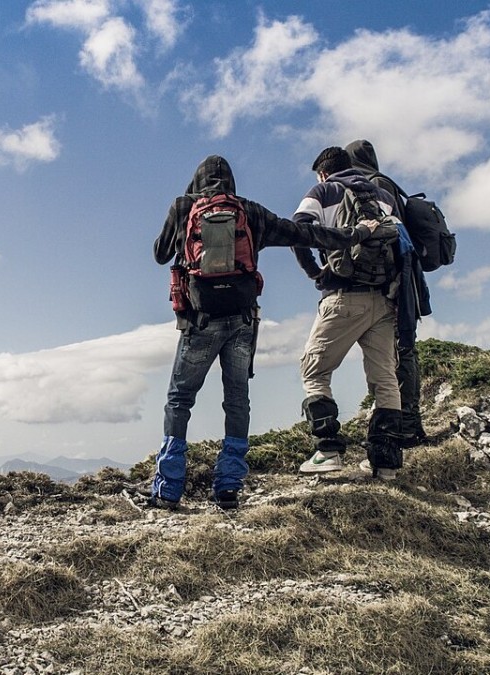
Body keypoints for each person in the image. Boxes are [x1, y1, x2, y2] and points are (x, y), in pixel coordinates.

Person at [150, 154, 379, 510]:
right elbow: (304, 233)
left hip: (200, 321)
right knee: (237, 400)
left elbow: (160, 254)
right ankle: (228, 488)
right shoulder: (249, 211)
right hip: (242, 321)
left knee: (180, 399)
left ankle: (168, 489)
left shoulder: (184, 207)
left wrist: (185, 219)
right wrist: (358, 234)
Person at [291, 146, 408, 479]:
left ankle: (328, 451)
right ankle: (385, 464)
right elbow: (402, 243)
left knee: (314, 370)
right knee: (385, 379)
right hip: (384, 300)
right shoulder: (383, 196)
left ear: (323, 173)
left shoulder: (323, 191)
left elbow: (298, 230)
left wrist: (316, 273)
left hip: (343, 297)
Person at [345, 139, 433, 448]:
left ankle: (406, 426)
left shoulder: (374, 186)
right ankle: (405, 423)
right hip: (405, 279)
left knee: (399, 350)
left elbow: (387, 237)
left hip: (396, 283)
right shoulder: (387, 183)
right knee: (399, 349)